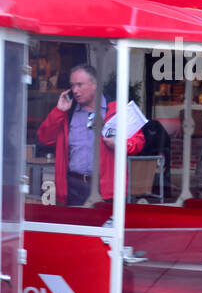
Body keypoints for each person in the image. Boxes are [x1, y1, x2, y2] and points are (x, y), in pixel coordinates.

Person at [37, 64, 144, 206]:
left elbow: (138, 142)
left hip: (107, 188)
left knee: (105, 226)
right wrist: (59, 111)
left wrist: (120, 145)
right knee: (75, 227)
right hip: (74, 186)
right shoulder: (67, 113)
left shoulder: (117, 110)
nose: (75, 90)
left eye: (80, 85)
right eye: (72, 85)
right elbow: (45, 138)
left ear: (95, 85)